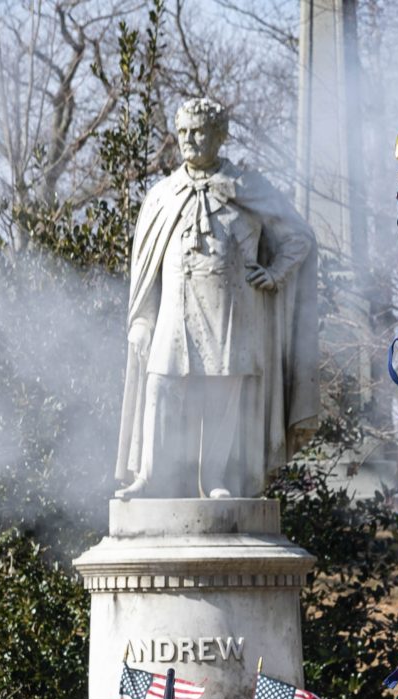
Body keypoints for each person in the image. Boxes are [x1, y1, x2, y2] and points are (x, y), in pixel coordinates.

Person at [116, 96, 319, 499]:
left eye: (199, 132)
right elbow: (147, 270)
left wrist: (275, 274)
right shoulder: (162, 195)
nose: (190, 140)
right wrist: (141, 320)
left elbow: (300, 237)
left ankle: (214, 478)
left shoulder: (247, 187)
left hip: (231, 314)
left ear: (219, 135)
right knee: (160, 387)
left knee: (222, 394)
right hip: (174, 313)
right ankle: (150, 476)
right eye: (184, 132)